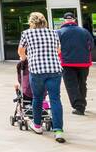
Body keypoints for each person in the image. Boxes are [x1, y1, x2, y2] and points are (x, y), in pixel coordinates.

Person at [18, 11, 66, 143]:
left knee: (37, 98)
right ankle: (58, 131)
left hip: (37, 70)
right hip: (55, 70)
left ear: (31, 22)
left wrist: (25, 58)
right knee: (55, 99)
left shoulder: (27, 33)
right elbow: (58, 50)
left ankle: (37, 126)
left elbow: (21, 51)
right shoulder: (54, 33)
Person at [58, 13, 93, 115]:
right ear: (74, 20)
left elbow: (56, 47)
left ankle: (79, 106)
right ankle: (82, 104)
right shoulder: (84, 31)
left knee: (71, 84)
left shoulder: (59, 32)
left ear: (64, 20)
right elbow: (91, 45)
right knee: (82, 83)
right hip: (84, 62)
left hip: (67, 63)